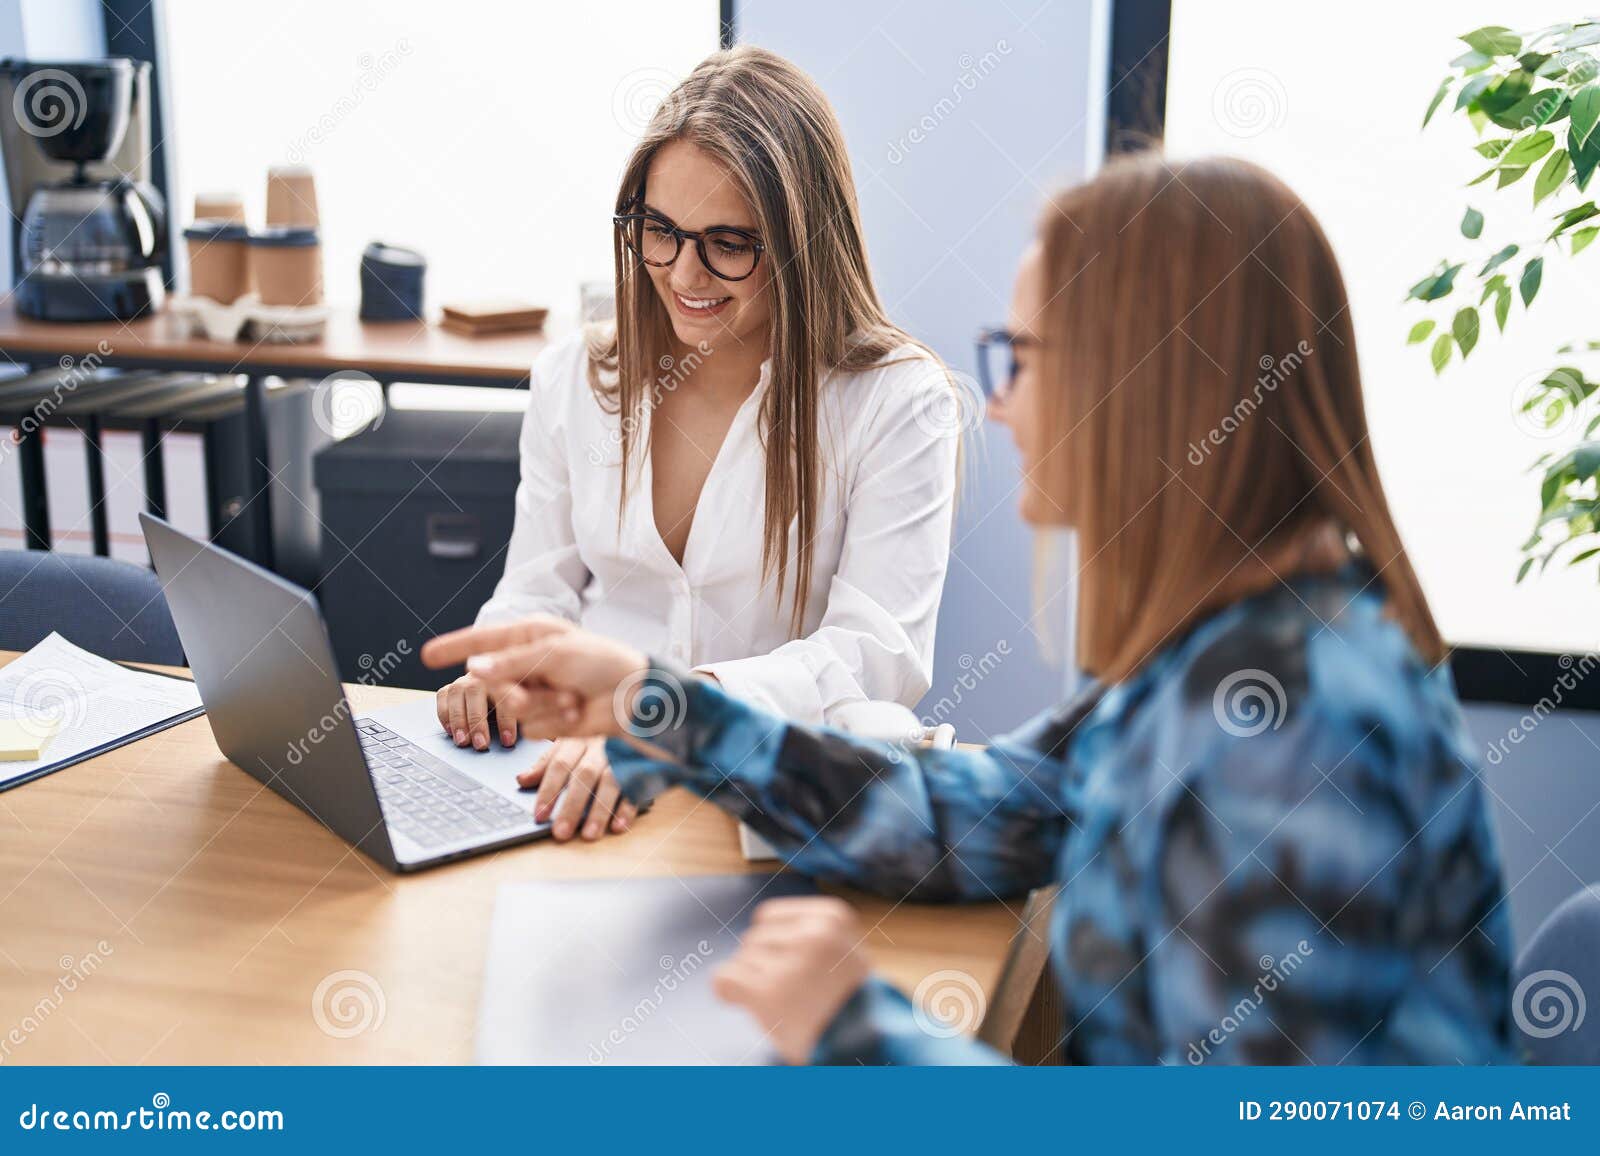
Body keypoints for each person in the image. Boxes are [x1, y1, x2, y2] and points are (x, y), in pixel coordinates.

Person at [422, 154, 1512, 1065]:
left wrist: (864, 1034)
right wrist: (657, 706)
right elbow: (974, 812)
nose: (998, 402)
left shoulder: (1286, 732)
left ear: (1143, 385)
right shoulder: (1221, 651)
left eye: (1025, 359)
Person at [437, 46, 962, 842]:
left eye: (729, 242)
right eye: (660, 230)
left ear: (802, 243)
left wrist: (666, 710)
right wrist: (495, 670)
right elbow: (535, 592)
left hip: (755, 800)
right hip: (574, 781)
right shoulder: (573, 378)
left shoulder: (896, 400)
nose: (684, 273)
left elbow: (873, 656)